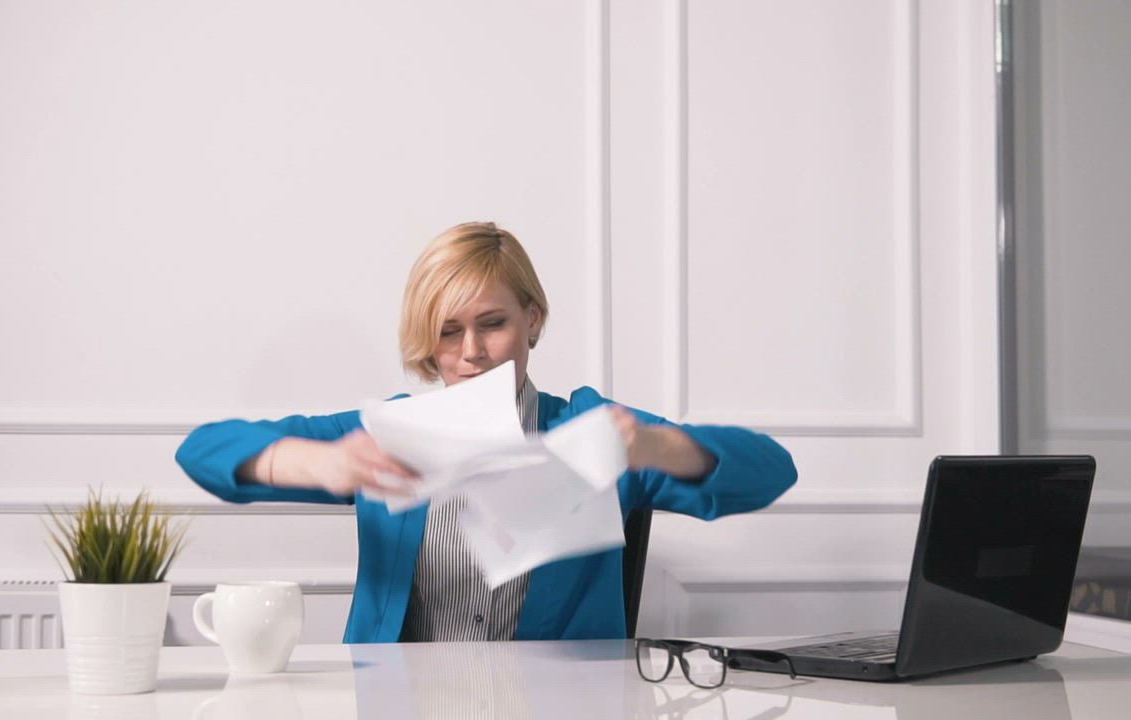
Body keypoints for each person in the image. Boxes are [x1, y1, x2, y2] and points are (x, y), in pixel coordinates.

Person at [175, 221, 797, 644]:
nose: (471, 352)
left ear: (532, 318)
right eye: (448, 331)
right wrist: (317, 464)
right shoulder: (391, 432)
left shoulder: (587, 429)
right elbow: (201, 451)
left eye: (492, 323)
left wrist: (658, 446)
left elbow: (771, 470)